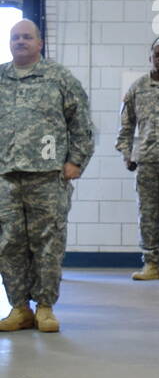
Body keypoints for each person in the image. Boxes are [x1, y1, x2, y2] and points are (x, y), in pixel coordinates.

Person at [0, 19, 94, 333]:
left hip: (48, 175)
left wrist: (76, 161)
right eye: (15, 38)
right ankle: (18, 307)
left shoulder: (59, 77)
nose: (20, 42)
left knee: (48, 243)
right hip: (6, 175)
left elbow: (81, 122)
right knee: (9, 243)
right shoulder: (0, 77)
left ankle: (45, 307)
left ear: (39, 43)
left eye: (27, 37)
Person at [117, 37, 159, 282]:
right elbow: (125, 126)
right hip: (145, 160)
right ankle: (150, 264)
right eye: (157, 55)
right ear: (150, 58)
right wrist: (127, 153)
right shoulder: (137, 88)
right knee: (147, 213)